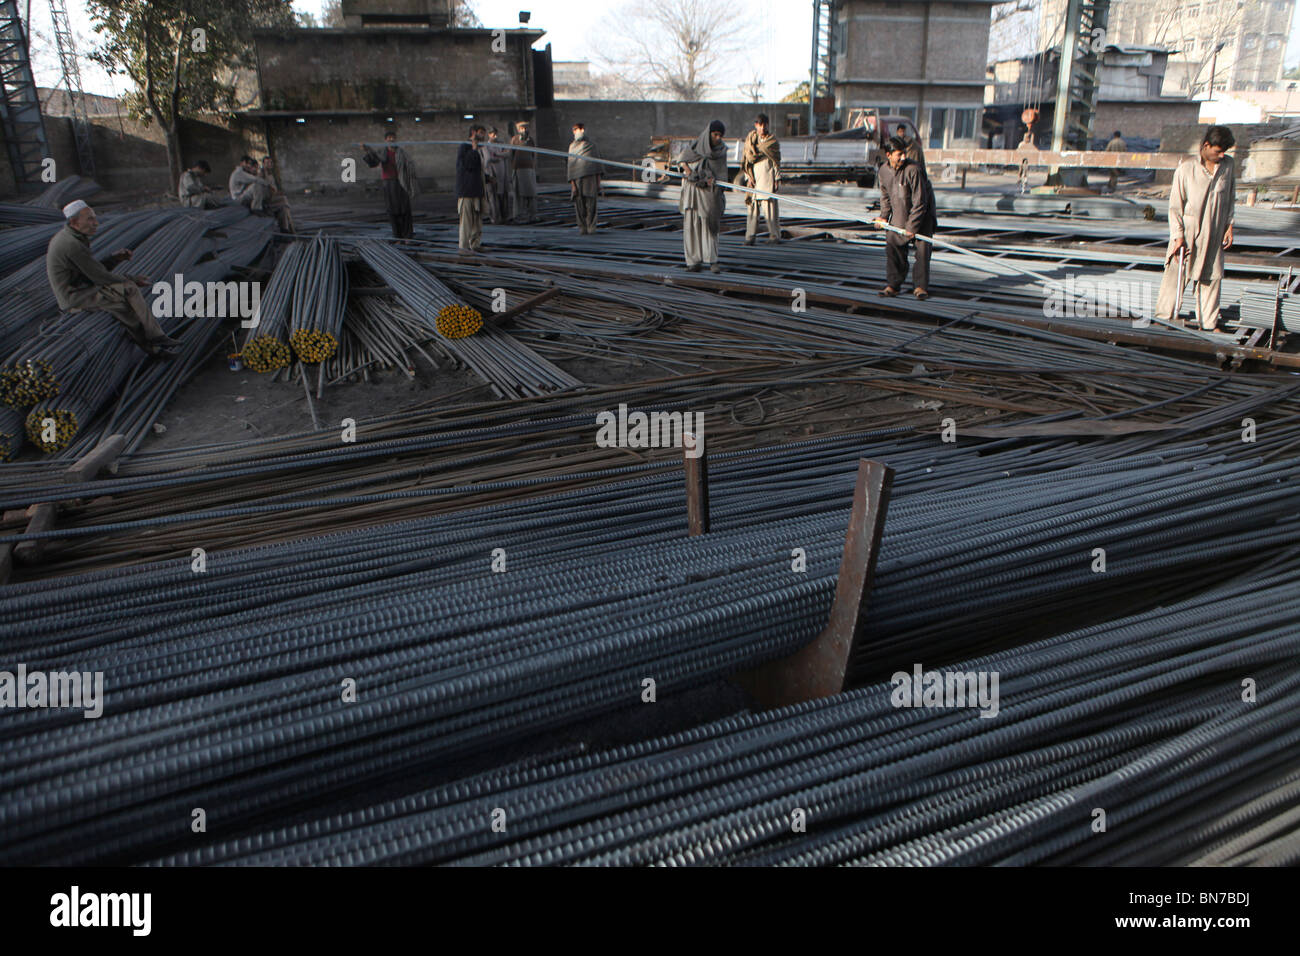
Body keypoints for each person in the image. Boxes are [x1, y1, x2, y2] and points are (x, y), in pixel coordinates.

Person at [45, 201, 180, 358]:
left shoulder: (72, 237)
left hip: (82, 288)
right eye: (90, 219)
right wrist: (133, 278)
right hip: (75, 297)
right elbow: (100, 276)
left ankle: (154, 340)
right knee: (127, 297)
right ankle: (153, 342)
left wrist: (115, 258)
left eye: (94, 218)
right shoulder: (71, 244)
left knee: (127, 297)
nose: (96, 223)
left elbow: (91, 270)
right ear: (74, 222)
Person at [1155, 125, 1236, 332]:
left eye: (1224, 151)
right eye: (1218, 151)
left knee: (1212, 276)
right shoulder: (1186, 169)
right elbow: (1175, 206)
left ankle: (1208, 323)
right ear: (1206, 146)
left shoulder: (1228, 166)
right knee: (1177, 273)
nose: (1221, 155)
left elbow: (1230, 199)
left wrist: (1229, 226)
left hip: (1215, 229)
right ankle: (1164, 318)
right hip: (1189, 231)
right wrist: (1178, 236)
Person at [873, 135, 937, 300]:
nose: (903, 157)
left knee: (922, 251)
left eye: (904, 154)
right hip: (901, 212)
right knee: (893, 244)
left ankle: (920, 286)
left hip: (922, 215)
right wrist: (883, 217)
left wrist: (912, 227)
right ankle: (893, 285)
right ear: (888, 155)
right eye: (899, 154)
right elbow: (885, 197)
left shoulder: (913, 170)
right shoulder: (883, 171)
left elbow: (920, 201)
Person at [675, 121, 728, 273]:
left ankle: (712, 261)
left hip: (707, 194)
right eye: (715, 134)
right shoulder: (695, 146)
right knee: (691, 225)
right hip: (691, 192)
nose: (717, 138)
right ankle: (693, 261)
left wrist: (713, 181)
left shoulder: (720, 151)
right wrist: (688, 171)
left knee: (709, 225)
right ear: (708, 133)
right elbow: (682, 160)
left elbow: (722, 174)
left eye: (720, 135)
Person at [360, 128, 418, 239]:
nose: (391, 140)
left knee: (405, 209)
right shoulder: (382, 152)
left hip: (402, 182)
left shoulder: (401, 153)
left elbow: (409, 166)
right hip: (389, 183)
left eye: (393, 138)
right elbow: (374, 161)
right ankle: (397, 236)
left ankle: (407, 236)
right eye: (389, 138)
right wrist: (366, 150)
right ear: (386, 140)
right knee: (392, 210)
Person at [741, 113, 781, 245]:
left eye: (764, 125)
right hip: (754, 180)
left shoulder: (772, 141)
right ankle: (750, 237)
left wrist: (776, 178)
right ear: (756, 125)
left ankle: (774, 236)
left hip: (767, 178)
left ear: (768, 125)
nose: (762, 128)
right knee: (752, 211)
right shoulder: (751, 140)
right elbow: (747, 160)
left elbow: (776, 162)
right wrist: (748, 177)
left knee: (770, 211)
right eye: (760, 125)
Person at [229, 155, 293, 232]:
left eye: (270, 163)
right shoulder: (239, 173)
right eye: (248, 164)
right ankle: (256, 208)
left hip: (253, 197)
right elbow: (255, 180)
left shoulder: (269, 175)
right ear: (243, 163)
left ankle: (285, 229)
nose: (249, 166)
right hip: (239, 199)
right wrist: (268, 186)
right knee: (257, 185)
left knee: (283, 204)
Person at [567, 123, 601, 235]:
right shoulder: (572, 147)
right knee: (579, 205)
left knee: (591, 205)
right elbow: (570, 166)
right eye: (576, 130)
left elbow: (597, 165)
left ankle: (591, 227)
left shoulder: (592, 145)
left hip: (590, 180)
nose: (579, 131)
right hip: (577, 180)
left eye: (581, 129)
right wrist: (572, 184)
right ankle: (582, 227)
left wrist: (598, 183)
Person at [456, 125, 486, 252]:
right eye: (480, 133)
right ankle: (463, 247)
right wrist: (474, 150)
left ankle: (475, 244)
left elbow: (478, 170)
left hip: (477, 191)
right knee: (466, 222)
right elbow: (468, 165)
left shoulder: (478, 150)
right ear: (473, 133)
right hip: (467, 191)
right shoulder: (464, 147)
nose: (483, 136)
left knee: (477, 221)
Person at [479, 127, 510, 224]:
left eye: (496, 133)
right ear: (489, 135)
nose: (495, 136)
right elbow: (488, 159)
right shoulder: (486, 146)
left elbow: (507, 153)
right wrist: (498, 156)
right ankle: (494, 217)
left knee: (503, 196)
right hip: (491, 173)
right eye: (493, 134)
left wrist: (498, 154)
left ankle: (504, 216)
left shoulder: (501, 143)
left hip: (502, 174)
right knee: (492, 197)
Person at [510, 120, 538, 224]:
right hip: (518, 169)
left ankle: (532, 214)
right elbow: (511, 154)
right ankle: (518, 215)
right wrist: (513, 168)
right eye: (522, 128)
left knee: (531, 193)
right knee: (518, 194)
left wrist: (532, 167)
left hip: (529, 169)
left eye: (525, 128)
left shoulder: (531, 141)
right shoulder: (514, 140)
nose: (524, 130)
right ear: (518, 130)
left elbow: (533, 154)